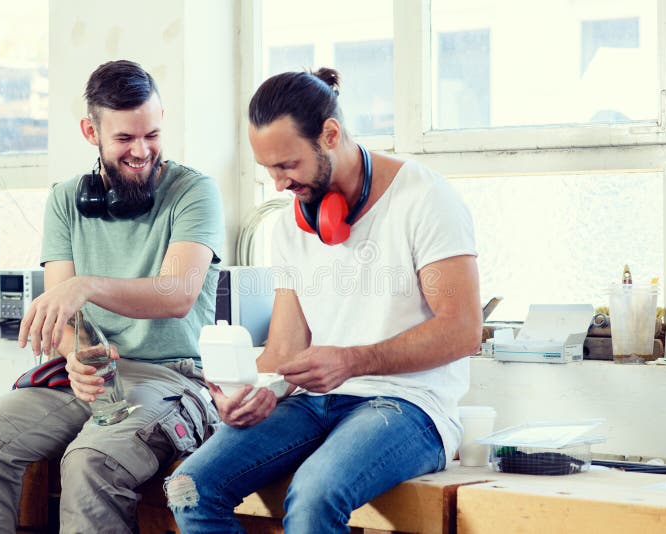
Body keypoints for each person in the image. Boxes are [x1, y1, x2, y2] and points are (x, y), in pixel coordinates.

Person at [166, 67, 481, 533]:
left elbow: (462, 329)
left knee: (313, 495)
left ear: (330, 134)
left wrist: (354, 360)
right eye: (268, 170)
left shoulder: (426, 198)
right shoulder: (291, 225)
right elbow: (285, 350)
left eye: (288, 165)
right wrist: (251, 395)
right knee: (190, 486)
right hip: (316, 402)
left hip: (410, 407)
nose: (278, 184)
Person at [0, 60, 224, 533]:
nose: (142, 150)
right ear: (91, 131)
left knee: (92, 461)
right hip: (89, 376)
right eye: (124, 139)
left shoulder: (195, 191)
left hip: (172, 378)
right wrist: (76, 356)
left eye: (152, 134)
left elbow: (177, 295)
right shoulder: (65, 200)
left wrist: (87, 285)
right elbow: (61, 320)